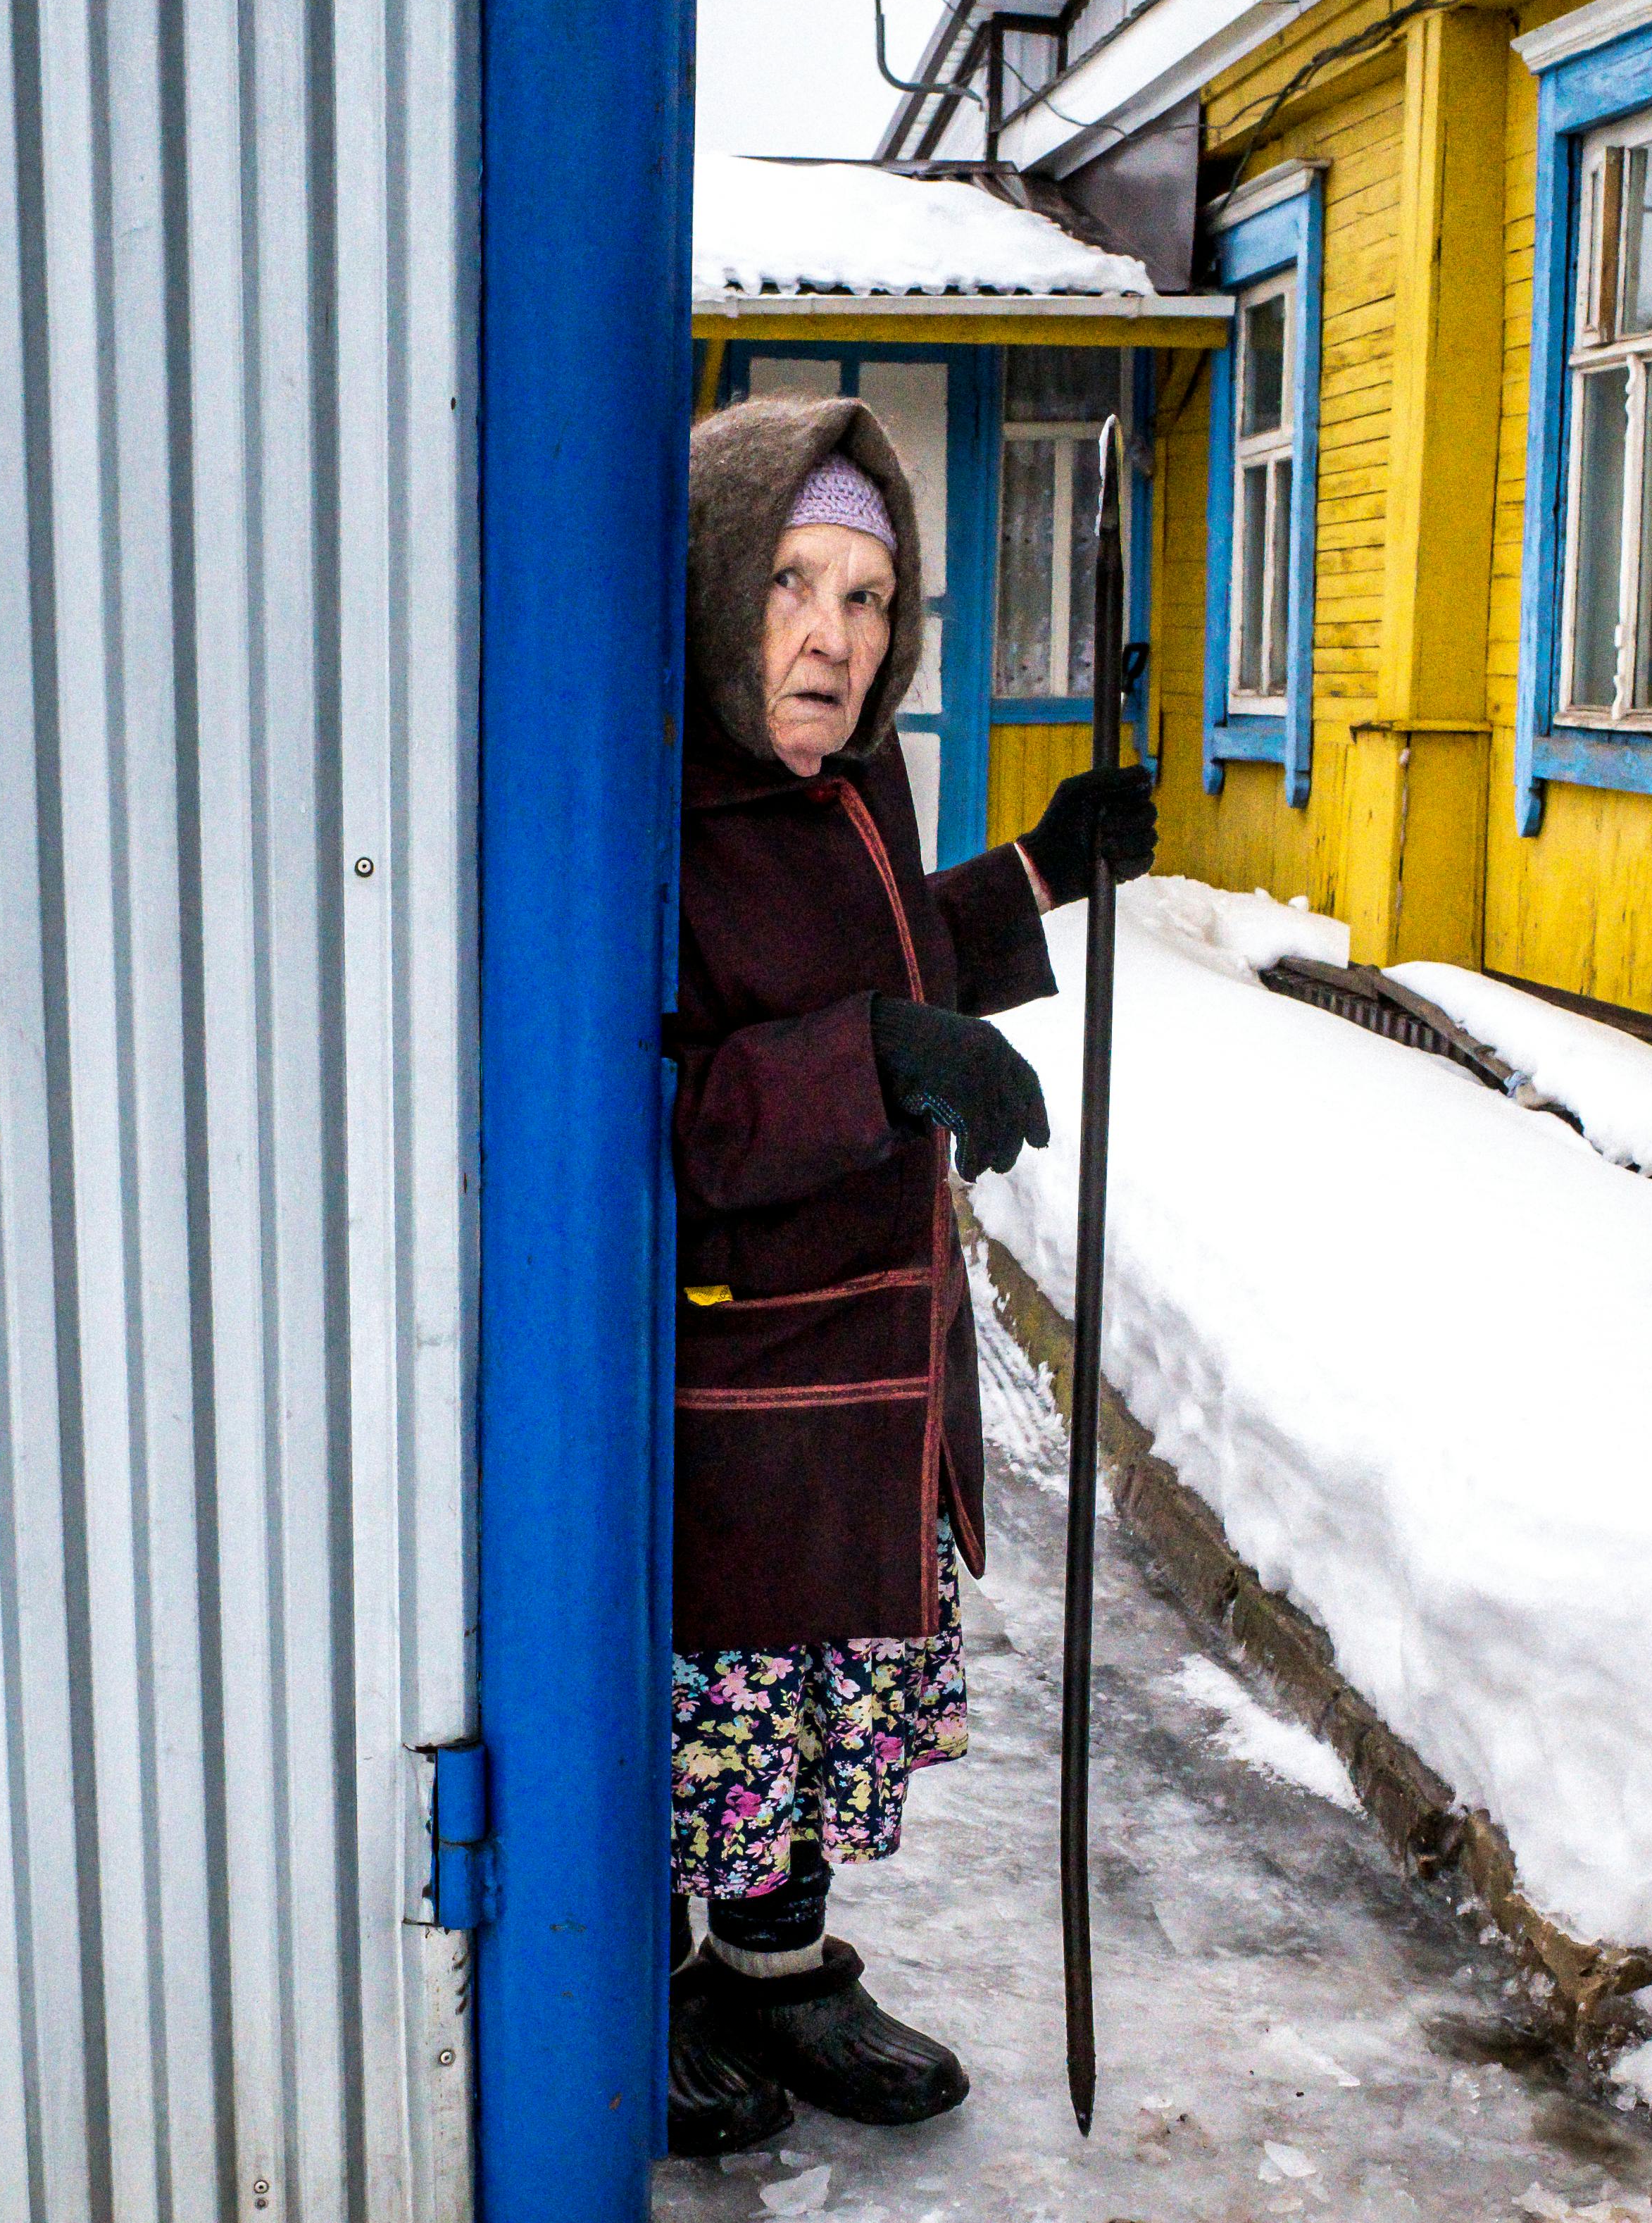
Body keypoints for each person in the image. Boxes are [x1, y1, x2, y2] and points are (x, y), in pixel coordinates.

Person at [664, 394, 1157, 2156]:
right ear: (723, 587)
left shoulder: (856, 777)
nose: (834, 636)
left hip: (876, 1349)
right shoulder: (653, 802)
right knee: (716, 1702)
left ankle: (776, 1969)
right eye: (793, 581)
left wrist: (1044, 868)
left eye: (870, 599)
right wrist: (873, 1052)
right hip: (737, 1374)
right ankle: (649, 1980)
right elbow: (669, 1103)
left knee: (808, 1694)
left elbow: (887, 950)